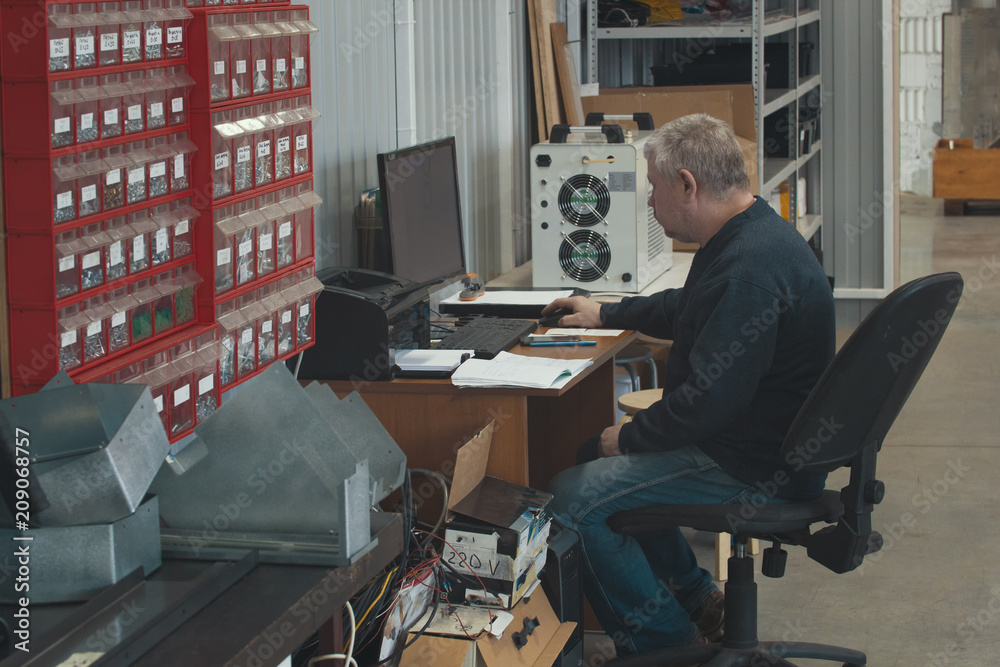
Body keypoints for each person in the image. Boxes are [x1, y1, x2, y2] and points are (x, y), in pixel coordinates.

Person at [542, 113, 836, 657]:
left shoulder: (748, 268)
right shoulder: (749, 235)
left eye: (653, 188)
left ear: (687, 184)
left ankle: (667, 647)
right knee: (598, 462)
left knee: (573, 498)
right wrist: (606, 311)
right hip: (763, 443)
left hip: (753, 465)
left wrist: (628, 438)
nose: (649, 204)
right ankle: (699, 602)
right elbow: (688, 307)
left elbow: (707, 404)